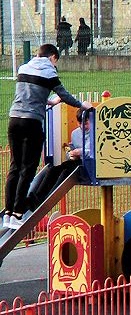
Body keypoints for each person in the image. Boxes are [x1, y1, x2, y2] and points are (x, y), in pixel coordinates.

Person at [3, 44, 91, 230]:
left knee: (14, 167)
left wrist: (50, 102)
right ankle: (19, 212)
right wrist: (83, 105)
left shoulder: (23, 68)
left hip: (14, 119)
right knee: (28, 168)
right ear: (52, 57)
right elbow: (66, 95)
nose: (54, 64)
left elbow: (30, 97)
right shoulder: (49, 72)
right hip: (32, 122)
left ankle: (9, 213)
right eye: (55, 61)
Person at [24, 107, 90, 213]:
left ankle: (45, 198)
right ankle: (35, 198)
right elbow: (71, 149)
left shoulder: (96, 133)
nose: (83, 126)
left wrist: (79, 152)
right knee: (55, 168)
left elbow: (93, 150)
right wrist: (70, 154)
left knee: (66, 172)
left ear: (91, 121)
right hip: (78, 160)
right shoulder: (75, 133)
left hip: (90, 164)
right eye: (80, 123)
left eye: (86, 123)